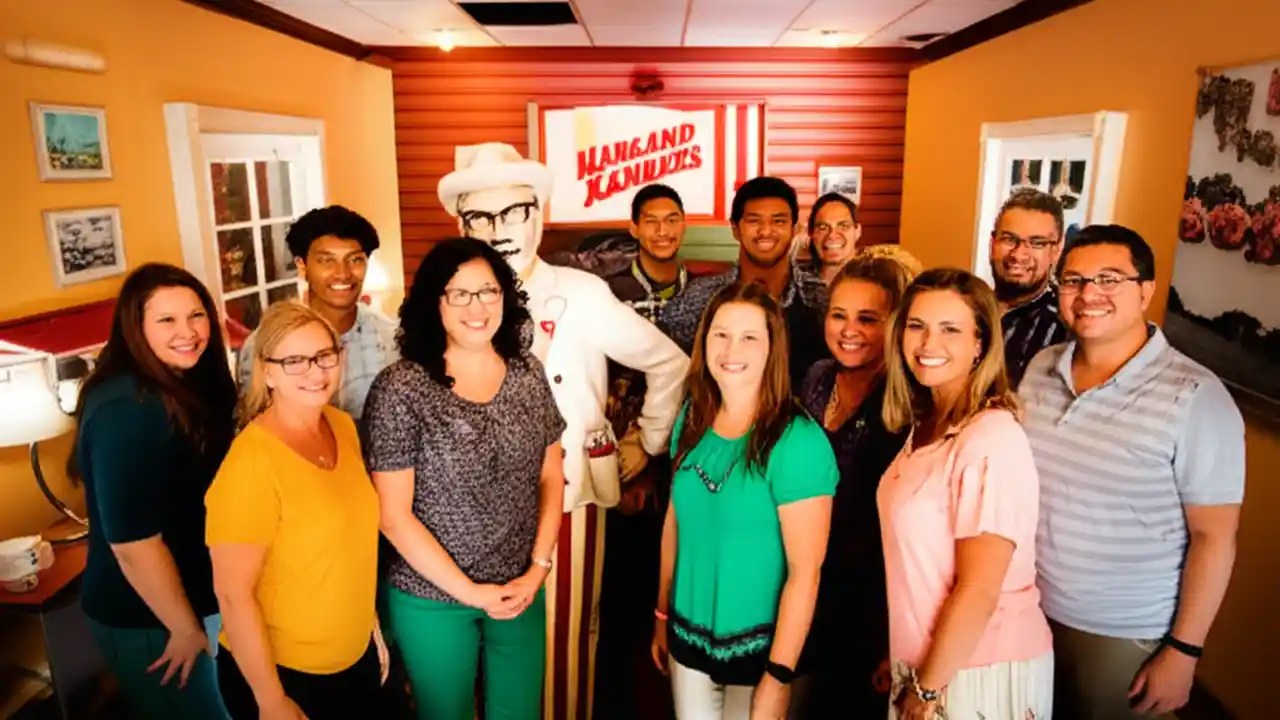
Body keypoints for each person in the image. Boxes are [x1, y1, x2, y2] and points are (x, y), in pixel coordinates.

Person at [437, 142, 688, 720]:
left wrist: (644, 443)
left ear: (539, 214)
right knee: (487, 640)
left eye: (514, 212)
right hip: (473, 507)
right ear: (460, 223)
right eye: (480, 216)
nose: (498, 229)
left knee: (568, 639)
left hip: (571, 499)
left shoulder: (579, 293)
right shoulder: (444, 300)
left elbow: (670, 362)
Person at [1019, 225, 1246, 719]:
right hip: (1030, 608)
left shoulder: (1196, 398)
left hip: (1123, 632)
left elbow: (1215, 538)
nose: (1088, 294)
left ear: (1145, 290)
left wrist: (1184, 652)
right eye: (1074, 280)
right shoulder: (1041, 366)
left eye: (1109, 279)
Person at [361, 238, 565, 720]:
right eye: (460, 294)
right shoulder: (401, 389)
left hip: (519, 588)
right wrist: (471, 592)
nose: (477, 307)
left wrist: (537, 569)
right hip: (431, 596)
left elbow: (552, 476)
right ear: (435, 303)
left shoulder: (526, 373)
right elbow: (393, 517)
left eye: (488, 292)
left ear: (505, 298)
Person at [651, 281, 838, 719]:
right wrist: (661, 616)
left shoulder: (797, 442)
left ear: (773, 347)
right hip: (688, 639)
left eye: (750, 336)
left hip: (762, 653)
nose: (732, 348)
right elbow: (675, 525)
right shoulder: (692, 418)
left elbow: (805, 573)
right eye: (721, 334)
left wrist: (777, 677)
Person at [878, 268, 1054, 720]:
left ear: (980, 344)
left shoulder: (991, 438)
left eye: (950, 330)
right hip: (931, 661)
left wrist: (929, 687)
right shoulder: (929, 423)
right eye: (916, 326)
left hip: (980, 668)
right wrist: (904, 653)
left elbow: (978, 588)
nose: (928, 344)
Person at [69, 263, 237, 720]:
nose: (188, 332)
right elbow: (133, 544)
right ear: (135, 328)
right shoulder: (130, 408)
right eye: (167, 320)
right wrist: (183, 627)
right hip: (153, 618)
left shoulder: (182, 386)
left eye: (197, 315)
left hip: (192, 600)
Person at [207, 302, 387, 720]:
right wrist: (271, 700)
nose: (315, 371)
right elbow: (234, 597)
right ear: (267, 371)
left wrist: (369, 626)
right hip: (284, 674)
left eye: (325, 356)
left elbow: (347, 546)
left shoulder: (341, 426)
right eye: (294, 361)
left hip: (353, 657)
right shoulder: (250, 464)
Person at [793, 255, 915, 718]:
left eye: (868, 319)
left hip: (872, 598)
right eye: (839, 315)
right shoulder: (818, 377)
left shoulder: (908, 400)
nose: (850, 330)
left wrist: (894, 634)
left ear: (897, 324)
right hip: (807, 579)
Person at [660, 176, 828, 388]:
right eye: (754, 220)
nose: (766, 231)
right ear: (735, 229)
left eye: (778, 221)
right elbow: (661, 360)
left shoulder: (820, 299)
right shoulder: (701, 297)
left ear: (794, 229)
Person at [236, 205, 398, 421]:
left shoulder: (390, 338)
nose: (342, 273)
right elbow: (255, 425)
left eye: (355, 259)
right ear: (302, 266)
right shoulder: (266, 345)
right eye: (326, 260)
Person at [989, 189, 1069, 387]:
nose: (1018, 254)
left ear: (1056, 250)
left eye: (1036, 243)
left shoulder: (1063, 328)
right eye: (1009, 239)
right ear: (992, 243)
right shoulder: (968, 306)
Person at [806, 193, 862, 285]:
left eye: (843, 226)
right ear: (811, 233)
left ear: (857, 231)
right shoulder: (794, 284)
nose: (832, 235)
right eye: (823, 227)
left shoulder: (877, 284)